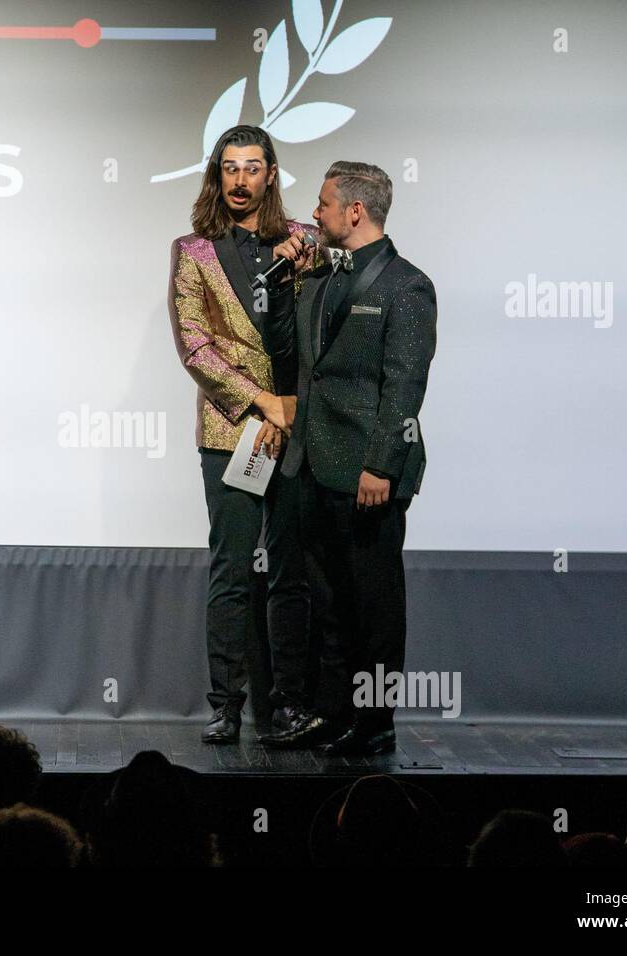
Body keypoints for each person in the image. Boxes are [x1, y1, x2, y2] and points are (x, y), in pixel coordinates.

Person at [259, 161, 437, 754]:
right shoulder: (321, 279)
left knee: (374, 607)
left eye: (324, 203)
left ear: (354, 211)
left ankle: (375, 722)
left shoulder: (407, 285)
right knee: (329, 603)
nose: (315, 214)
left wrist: (382, 465)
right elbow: (295, 355)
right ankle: (336, 714)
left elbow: (405, 385)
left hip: (368, 472)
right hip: (313, 464)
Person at [167, 125, 318, 744]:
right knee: (231, 569)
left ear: (271, 174)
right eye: (229, 168)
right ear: (216, 174)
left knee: (292, 571)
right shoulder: (193, 249)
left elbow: (324, 334)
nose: (239, 179)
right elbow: (194, 344)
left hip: (300, 427)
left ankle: (288, 705)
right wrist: (262, 403)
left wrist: (295, 406)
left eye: (252, 167)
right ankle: (226, 705)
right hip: (232, 428)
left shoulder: (304, 242)